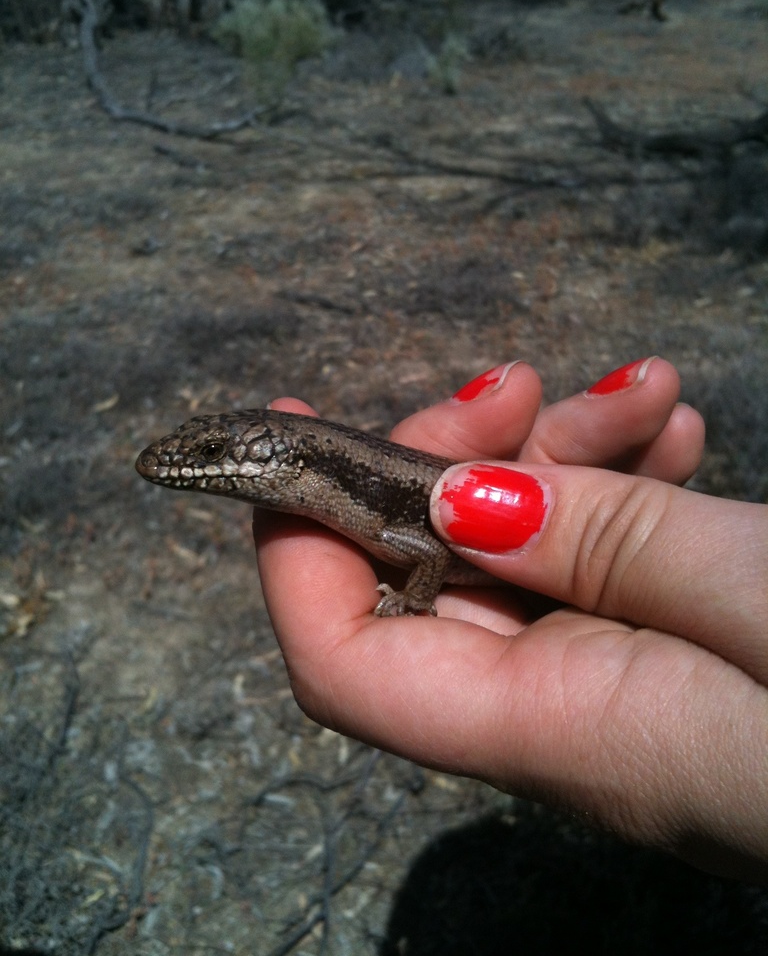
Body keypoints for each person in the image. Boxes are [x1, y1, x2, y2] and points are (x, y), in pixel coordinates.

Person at [251, 358, 768, 883]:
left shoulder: (380, 523)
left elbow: (429, 558)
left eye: (214, 456)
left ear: (287, 461)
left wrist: (411, 602)